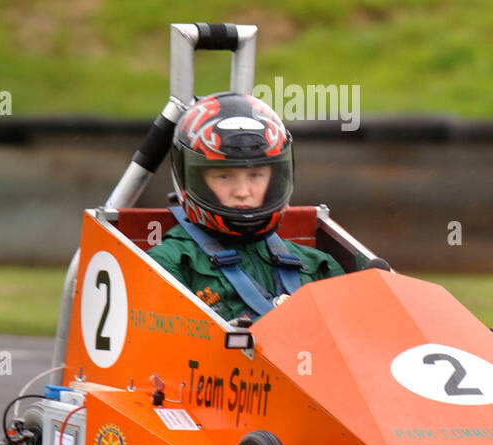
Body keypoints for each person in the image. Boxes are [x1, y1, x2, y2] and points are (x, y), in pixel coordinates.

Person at [148, 92, 348, 322]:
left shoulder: (318, 265)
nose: (242, 191)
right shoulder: (169, 265)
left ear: (274, 178)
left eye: (255, 175)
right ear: (196, 179)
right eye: (224, 176)